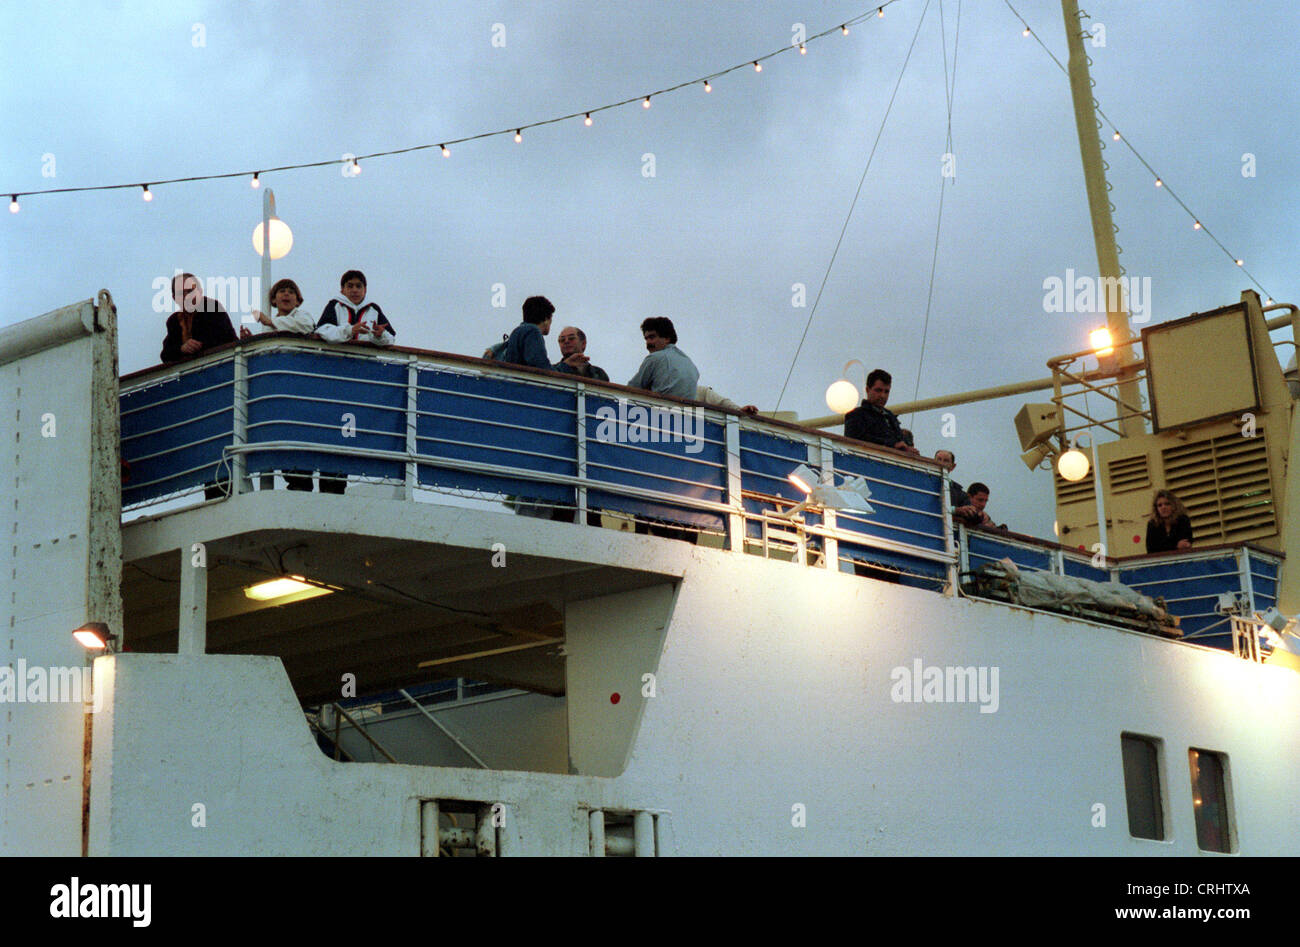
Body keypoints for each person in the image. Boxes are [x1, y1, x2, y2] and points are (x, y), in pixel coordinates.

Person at [160, 273, 237, 363]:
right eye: (180, 293)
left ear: (199, 291)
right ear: (174, 298)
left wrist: (196, 345)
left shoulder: (212, 307)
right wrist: (181, 349)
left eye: (189, 291)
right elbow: (165, 354)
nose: (186, 296)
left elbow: (226, 338)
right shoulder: (173, 321)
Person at [844, 369, 921, 456]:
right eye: (878, 390)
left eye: (886, 391)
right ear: (867, 390)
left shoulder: (890, 417)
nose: (882, 396)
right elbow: (855, 442)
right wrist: (892, 445)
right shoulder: (856, 415)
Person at [315, 270, 396, 347]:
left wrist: (380, 335)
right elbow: (322, 331)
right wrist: (350, 330)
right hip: (336, 359)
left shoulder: (374, 309)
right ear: (342, 290)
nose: (354, 290)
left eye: (358, 286)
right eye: (350, 286)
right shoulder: (335, 305)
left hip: (365, 360)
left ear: (365, 290)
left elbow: (391, 339)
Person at [627, 317, 699, 399]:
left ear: (667, 338)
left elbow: (631, 390)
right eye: (646, 339)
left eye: (652, 337)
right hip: (688, 410)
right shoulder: (690, 364)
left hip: (659, 409)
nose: (648, 343)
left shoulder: (655, 358)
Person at [241, 278, 316, 338]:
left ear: (297, 301)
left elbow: (306, 326)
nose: (286, 294)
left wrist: (270, 322)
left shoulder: (302, 315)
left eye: (291, 292)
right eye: (282, 291)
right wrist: (251, 340)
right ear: (274, 300)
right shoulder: (269, 327)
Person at [501, 296, 555, 369]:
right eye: (551, 320)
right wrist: (565, 366)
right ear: (546, 319)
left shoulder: (517, 332)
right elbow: (540, 366)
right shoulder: (533, 332)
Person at [1146, 489, 1193, 553]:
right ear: (1156, 509)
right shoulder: (1152, 524)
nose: (1163, 507)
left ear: (1174, 505)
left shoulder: (1183, 520)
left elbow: (1185, 544)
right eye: (1160, 505)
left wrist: (1164, 547)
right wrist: (1175, 546)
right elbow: (1151, 550)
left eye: (1167, 504)